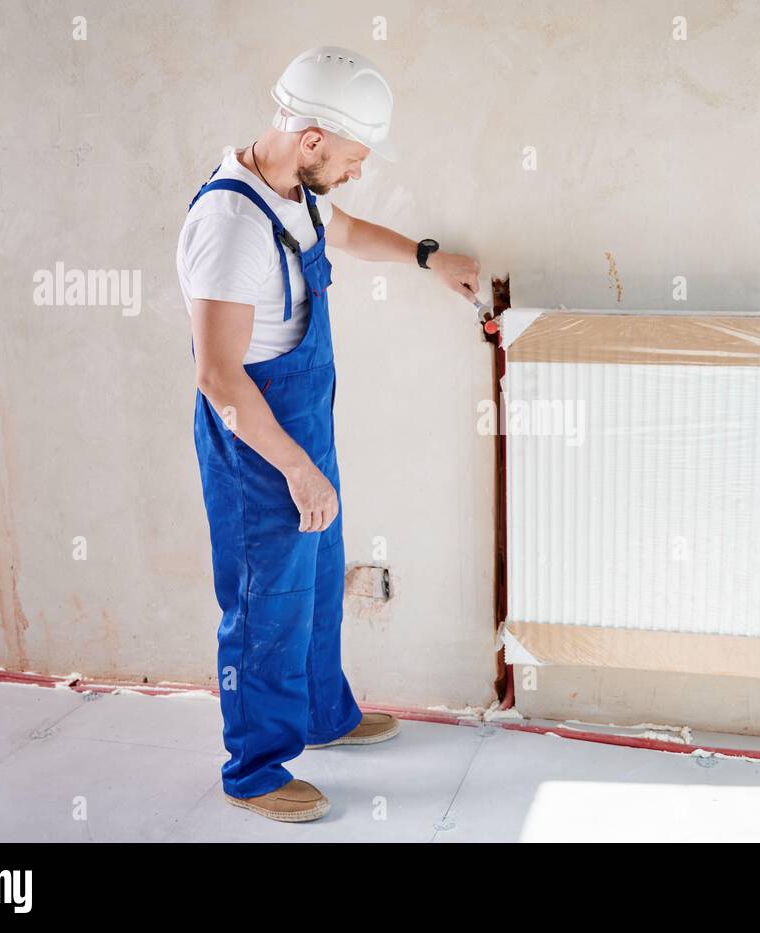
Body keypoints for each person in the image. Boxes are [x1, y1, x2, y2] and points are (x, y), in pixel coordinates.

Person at [176, 46, 480, 822]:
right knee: (265, 599)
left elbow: (344, 230)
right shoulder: (232, 225)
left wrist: (425, 257)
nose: (355, 171)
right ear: (312, 140)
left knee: (314, 581)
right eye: (352, 157)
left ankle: (321, 711)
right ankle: (254, 768)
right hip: (258, 442)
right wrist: (296, 470)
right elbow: (218, 376)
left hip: (303, 424)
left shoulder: (295, 194)